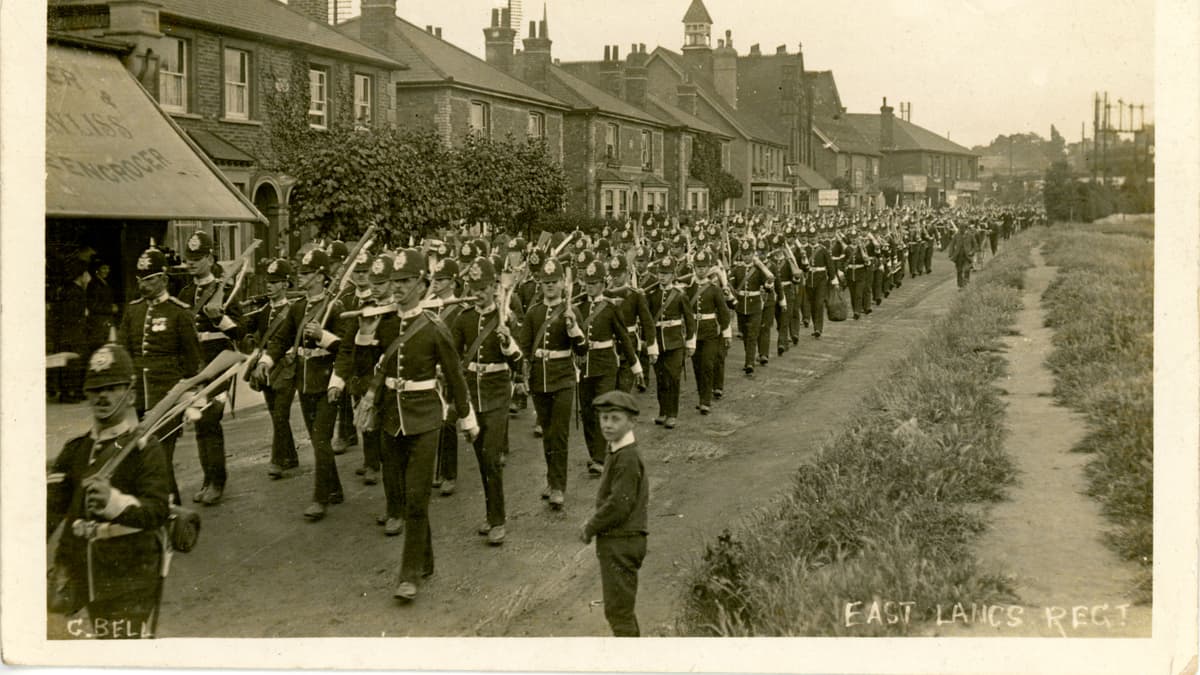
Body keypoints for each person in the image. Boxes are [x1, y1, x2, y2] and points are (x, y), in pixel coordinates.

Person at [351, 248, 478, 601]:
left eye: (407, 281)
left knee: (418, 498)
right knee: (404, 495)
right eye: (396, 281)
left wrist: (466, 417)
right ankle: (426, 560)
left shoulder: (435, 328)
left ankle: (408, 575)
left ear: (422, 284)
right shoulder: (386, 322)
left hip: (425, 419)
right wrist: (364, 335)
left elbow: (454, 377)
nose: (398, 288)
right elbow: (364, 372)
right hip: (391, 419)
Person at [47, 343, 170, 639]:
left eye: (113, 387)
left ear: (131, 394)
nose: (103, 396)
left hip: (130, 575)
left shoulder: (145, 450)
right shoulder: (75, 450)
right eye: (96, 388)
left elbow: (157, 511)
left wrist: (114, 503)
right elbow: (50, 511)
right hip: (81, 571)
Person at [256, 248, 347, 521]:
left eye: (306, 274)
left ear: (320, 276)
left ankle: (320, 499)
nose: (301, 277)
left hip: (328, 382)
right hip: (304, 383)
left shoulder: (336, 307)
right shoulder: (297, 308)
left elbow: (345, 349)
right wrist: (266, 362)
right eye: (301, 273)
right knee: (318, 439)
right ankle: (334, 489)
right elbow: (281, 341)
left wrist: (323, 336)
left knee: (320, 439)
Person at [117, 246, 202, 507]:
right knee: (153, 456)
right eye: (141, 279)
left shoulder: (178, 312)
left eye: (150, 279)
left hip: (169, 395)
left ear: (164, 279)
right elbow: (125, 351)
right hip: (142, 395)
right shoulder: (133, 311)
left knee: (161, 455)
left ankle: (169, 510)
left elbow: (192, 358)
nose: (144, 285)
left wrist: (190, 396)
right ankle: (170, 508)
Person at [452, 257, 522, 545]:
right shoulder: (464, 318)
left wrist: (507, 343)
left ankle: (498, 520)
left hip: (496, 395)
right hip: (472, 396)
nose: (478, 293)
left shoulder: (507, 319)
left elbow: (519, 364)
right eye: (473, 287)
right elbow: (454, 359)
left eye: (483, 287)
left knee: (492, 457)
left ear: (494, 287)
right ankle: (491, 513)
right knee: (482, 459)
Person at [176, 231, 245, 505]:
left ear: (210, 258)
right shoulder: (184, 292)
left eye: (197, 258)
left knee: (210, 421)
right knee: (199, 421)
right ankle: (208, 478)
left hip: (219, 364)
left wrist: (220, 319)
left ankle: (217, 481)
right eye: (189, 258)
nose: (191, 263)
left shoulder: (225, 290)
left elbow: (240, 332)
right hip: (195, 365)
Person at [518, 256, 588, 509]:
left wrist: (573, 329)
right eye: (545, 281)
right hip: (539, 380)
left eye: (554, 281)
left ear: (562, 283)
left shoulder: (572, 311)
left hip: (563, 379)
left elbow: (582, 350)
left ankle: (559, 486)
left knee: (559, 434)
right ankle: (551, 479)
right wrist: (521, 376)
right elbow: (524, 346)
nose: (549, 286)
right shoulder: (534, 312)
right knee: (547, 433)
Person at [579, 389, 649, 638]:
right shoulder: (618, 450)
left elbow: (620, 504)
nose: (607, 424)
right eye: (604, 418)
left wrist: (591, 526)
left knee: (619, 613)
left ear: (632, 422)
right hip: (621, 540)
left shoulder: (627, 457)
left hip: (622, 542)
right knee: (621, 611)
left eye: (615, 418)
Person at [574, 256, 641, 475]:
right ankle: (595, 453)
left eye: (594, 283)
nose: (590, 287)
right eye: (587, 283)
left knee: (603, 409)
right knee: (587, 411)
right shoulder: (578, 307)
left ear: (603, 284)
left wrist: (635, 365)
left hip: (605, 366)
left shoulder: (611, 308)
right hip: (583, 366)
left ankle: (600, 458)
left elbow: (623, 337)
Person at [244, 258, 299, 480]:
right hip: (265, 369)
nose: (269, 285)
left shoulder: (293, 310)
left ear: (286, 284)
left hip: (285, 368)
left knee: (280, 414)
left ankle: (277, 461)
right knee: (275, 414)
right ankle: (291, 456)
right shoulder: (263, 311)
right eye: (268, 280)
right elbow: (249, 333)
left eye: (275, 281)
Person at [55, 258, 92, 402]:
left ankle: (72, 391)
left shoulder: (69, 290)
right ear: (80, 275)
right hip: (74, 332)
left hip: (69, 331)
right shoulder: (75, 292)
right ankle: (70, 392)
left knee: (72, 362)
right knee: (73, 362)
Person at [87, 259, 118, 355]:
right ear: (97, 270)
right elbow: (93, 305)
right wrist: (110, 308)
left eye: (108, 268)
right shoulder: (94, 284)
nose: (107, 270)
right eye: (104, 268)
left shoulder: (104, 283)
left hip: (105, 322)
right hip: (99, 324)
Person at [947, 224, 977, 289]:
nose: (961, 231)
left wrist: (972, 252)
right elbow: (952, 245)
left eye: (962, 229)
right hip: (958, 256)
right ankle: (960, 285)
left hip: (967, 256)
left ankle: (966, 283)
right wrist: (950, 254)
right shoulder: (956, 235)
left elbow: (975, 246)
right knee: (959, 270)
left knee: (966, 269)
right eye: (960, 229)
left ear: (966, 229)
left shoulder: (970, 235)